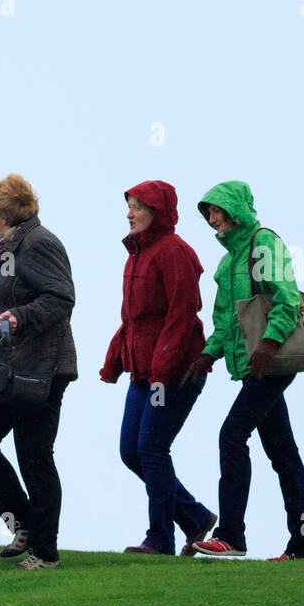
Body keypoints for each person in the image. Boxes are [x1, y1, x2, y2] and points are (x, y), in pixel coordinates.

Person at [181, 181, 304, 560]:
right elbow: (226, 322)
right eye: (208, 213)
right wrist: (207, 355)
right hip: (254, 365)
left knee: (232, 435)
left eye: (217, 211)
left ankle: (231, 536)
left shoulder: (263, 244)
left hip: (271, 362)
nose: (212, 219)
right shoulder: (229, 261)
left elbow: (286, 297)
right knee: (284, 455)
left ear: (235, 210)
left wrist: (271, 343)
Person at [0, 174, 77, 569]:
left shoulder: (39, 243)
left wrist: (22, 316)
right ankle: (23, 523)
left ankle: (45, 552)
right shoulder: (12, 245)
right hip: (9, 371)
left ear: (0, 214)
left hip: (42, 372)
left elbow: (62, 297)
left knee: (35, 456)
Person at [100, 181, 216, 555]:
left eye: (138, 207)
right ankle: (195, 517)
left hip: (175, 371)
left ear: (158, 212)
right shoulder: (136, 254)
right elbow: (134, 320)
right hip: (145, 371)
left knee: (151, 447)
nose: (130, 213)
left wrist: (162, 372)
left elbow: (182, 317)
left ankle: (160, 538)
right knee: (131, 452)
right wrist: (115, 359)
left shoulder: (176, 252)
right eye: (129, 206)